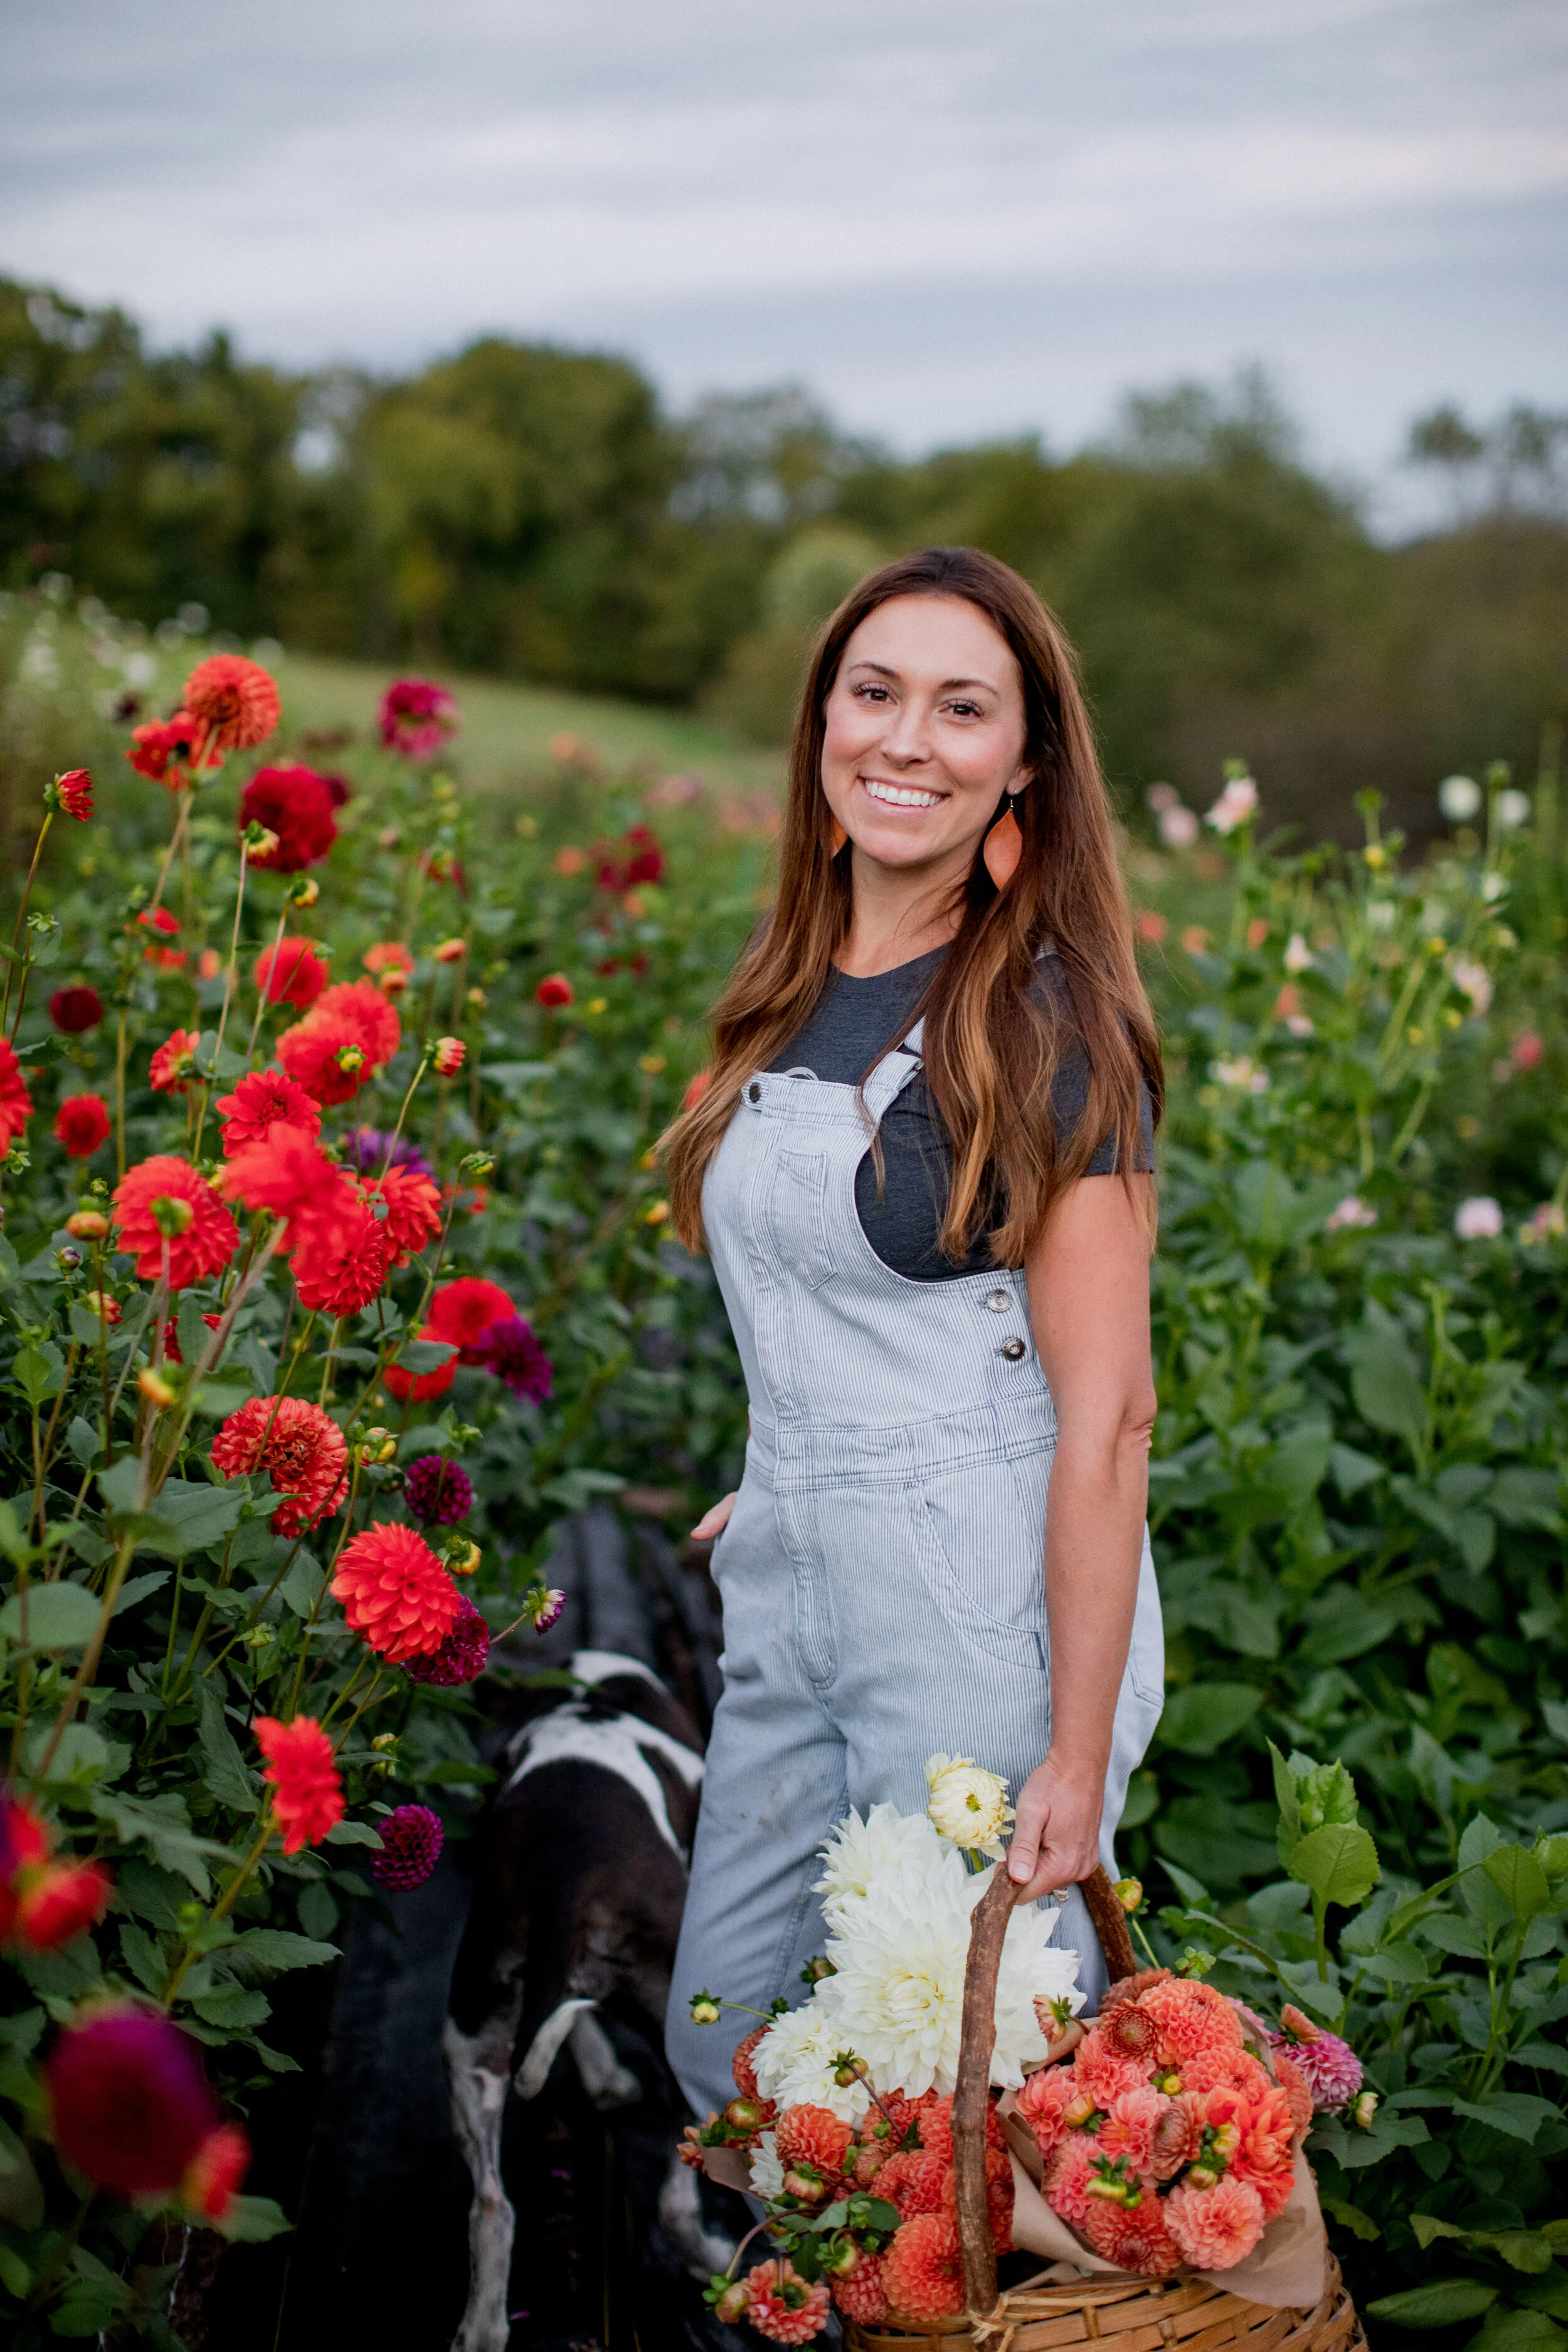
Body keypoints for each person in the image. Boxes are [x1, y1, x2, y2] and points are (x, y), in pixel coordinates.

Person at [660, 546, 1165, 2125]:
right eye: (874, 693)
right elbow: (823, 1297)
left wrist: (1070, 1760)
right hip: (796, 1581)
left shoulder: (1044, 1024)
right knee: (726, 2054)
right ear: (822, 724)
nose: (905, 739)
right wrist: (802, 1478)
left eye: (961, 709)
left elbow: (1108, 1416)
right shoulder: (786, 988)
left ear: (1022, 765)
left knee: (948, 2097)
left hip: (976, 1623)